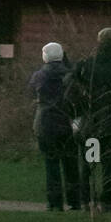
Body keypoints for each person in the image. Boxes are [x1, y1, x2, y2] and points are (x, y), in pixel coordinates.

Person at [65, 27, 111, 213]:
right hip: (110, 123)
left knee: (89, 163)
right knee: (108, 164)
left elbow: (69, 87)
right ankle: (106, 202)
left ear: (98, 41)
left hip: (90, 122)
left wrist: (79, 111)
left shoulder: (86, 65)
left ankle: (87, 201)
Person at [29, 42, 80, 212]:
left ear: (45, 56)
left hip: (46, 123)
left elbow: (31, 91)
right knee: (71, 163)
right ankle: (75, 200)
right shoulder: (70, 75)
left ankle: (54, 202)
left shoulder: (39, 76)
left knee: (51, 164)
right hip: (68, 123)